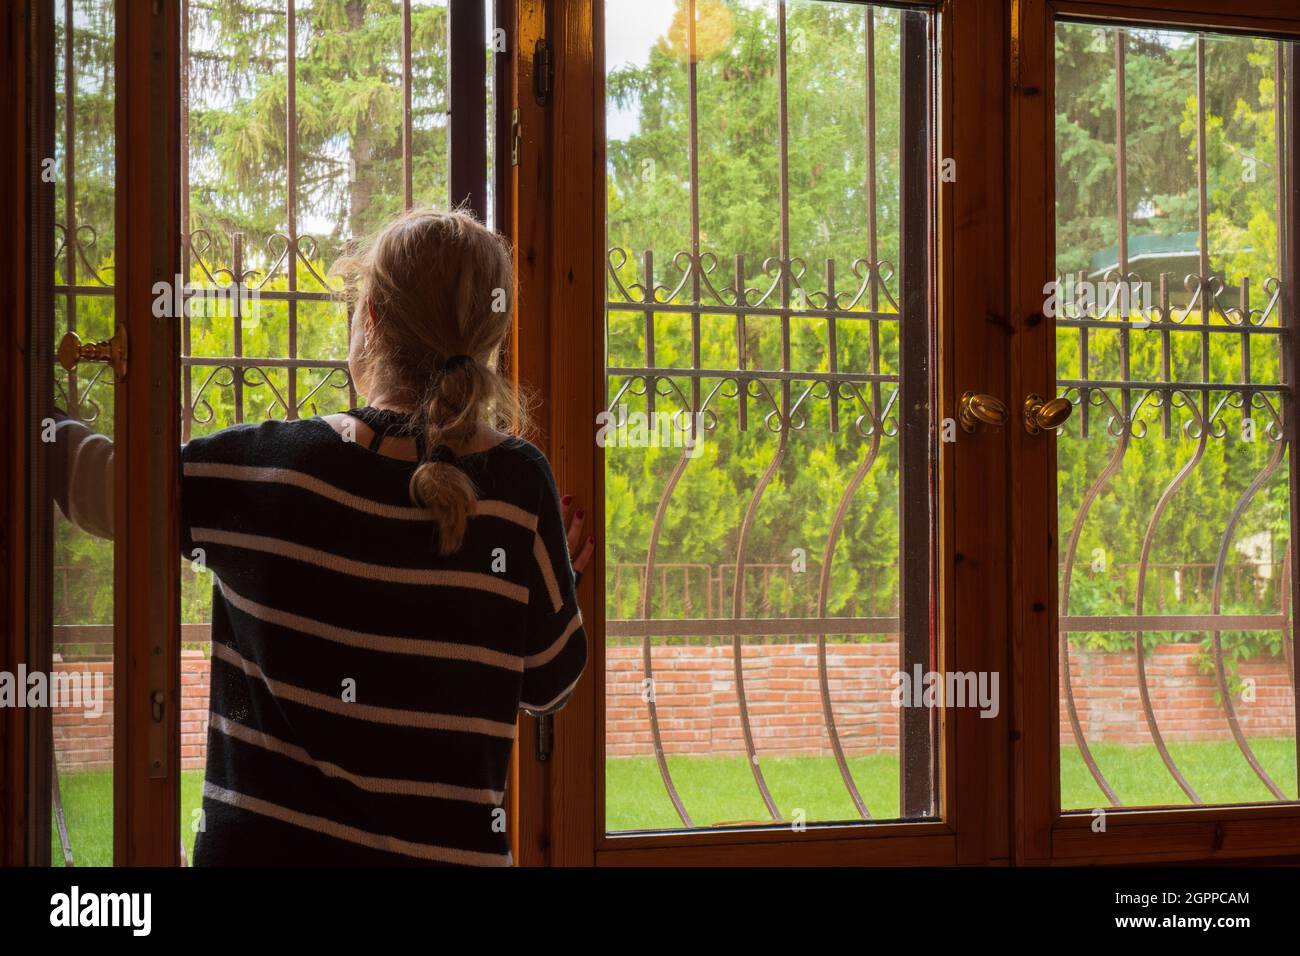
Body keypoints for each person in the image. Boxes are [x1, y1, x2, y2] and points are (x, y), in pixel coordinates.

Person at [50, 207, 592, 866]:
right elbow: (548, 685)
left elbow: (103, 490)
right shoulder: (519, 485)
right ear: (487, 337)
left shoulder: (269, 467)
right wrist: (556, 579)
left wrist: (31, 404)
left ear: (370, 319)